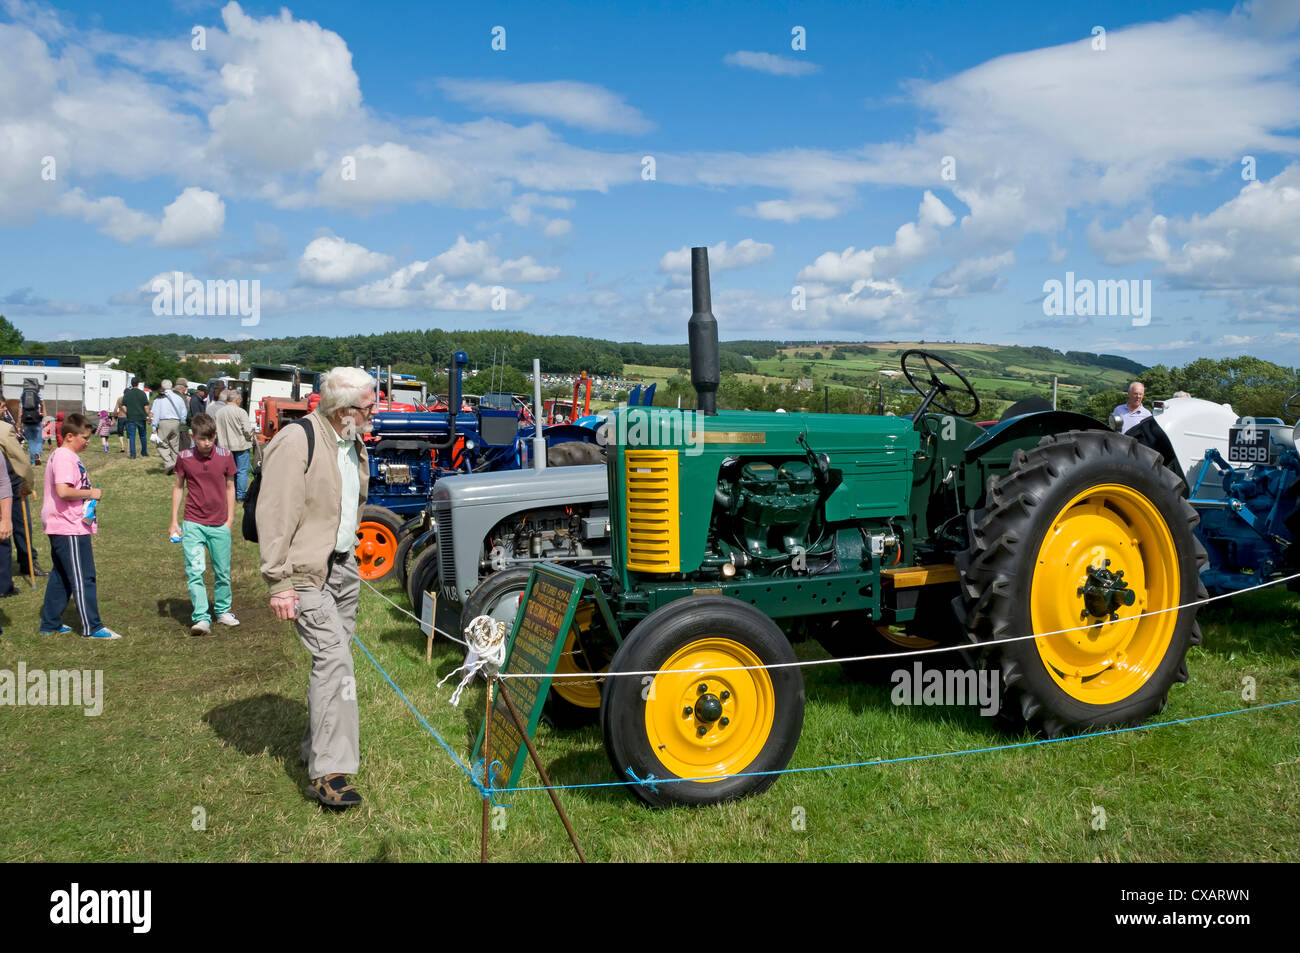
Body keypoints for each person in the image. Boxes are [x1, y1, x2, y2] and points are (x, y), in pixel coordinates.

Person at [258, 366, 373, 808]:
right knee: (335, 661)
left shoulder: (352, 440)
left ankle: (315, 750)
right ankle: (330, 774)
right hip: (303, 574)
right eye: (368, 407)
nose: (374, 413)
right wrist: (279, 582)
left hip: (342, 568)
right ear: (343, 410)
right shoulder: (296, 441)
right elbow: (275, 513)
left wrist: (352, 542)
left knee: (333, 667)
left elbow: (345, 503)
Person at [39, 413, 120, 639]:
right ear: (69, 436)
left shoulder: (67, 455)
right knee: (83, 576)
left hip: (68, 524)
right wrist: (91, 493)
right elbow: (63, 491)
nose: (87, 441)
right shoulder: (64, 456)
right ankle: (92, 627)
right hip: (68, 526)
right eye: (84, 437)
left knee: (62, 575)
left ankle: (50, 623)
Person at [170, 413, 239, 636]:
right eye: (201, 439)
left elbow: (231, 487)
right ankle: (201, 617)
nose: (206, 443)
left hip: (219, 524)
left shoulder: (226, 456)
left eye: (210, 438)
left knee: (222, 571)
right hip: (193, 524)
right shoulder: (184, 457)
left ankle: (222, 610)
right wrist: (174, 521)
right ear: (192, 437)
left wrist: (230, 519)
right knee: (195, 571)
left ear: (215, 436)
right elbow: (179, 487)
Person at [0, 414, 46, 580]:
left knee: (20, 524)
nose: (5, 410)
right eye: (3, 407)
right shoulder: (4, 429)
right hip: (10, 483)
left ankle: (27, 563)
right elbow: (21, 461)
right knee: (21, 524)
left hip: (10, 482)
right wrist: (27, 485)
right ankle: (27, 563)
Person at [214, 389, 257, 501]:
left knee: (225, 471)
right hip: (241, 445)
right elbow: (247, 430)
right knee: (242, 471)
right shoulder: (241, 412)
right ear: (237, 400)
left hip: (224, 446)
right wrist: (251, 438)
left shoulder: (219, 412)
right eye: (241, 399)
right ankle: (240, 495)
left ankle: (224, 492)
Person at [151, 379, 187, 474]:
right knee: (175, 445)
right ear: (171, 387)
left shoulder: (159, 399)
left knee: (161, 444)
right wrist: (181, 421)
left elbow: (156, 413)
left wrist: (154, 426)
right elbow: (184, 412)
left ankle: (169, 463)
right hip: (176, 422)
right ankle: (176, 466)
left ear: (162, 387)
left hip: (164, 422)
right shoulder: (178, 398)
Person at [119, 379, 150, 458]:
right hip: (141, 417)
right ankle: (144, 452)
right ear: (138, 384)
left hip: (131, 418)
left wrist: (127, 412)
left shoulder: (128, 394)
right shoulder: (142, 393)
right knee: (143, 436)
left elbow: (123, 405)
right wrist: (149, 415)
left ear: (131, 384)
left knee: (132, 436)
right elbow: (146, 407)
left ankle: (133, 454)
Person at [19, 378, 43, 466]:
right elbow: (42, 405)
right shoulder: (38, 393)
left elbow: (20, 410)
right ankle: (38, 454)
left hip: (26, 420)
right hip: (36, 419)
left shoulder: (23, 394)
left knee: (31, 441)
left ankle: (33, 461)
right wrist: (43, 416)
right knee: (39, 440)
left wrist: (19, 423)